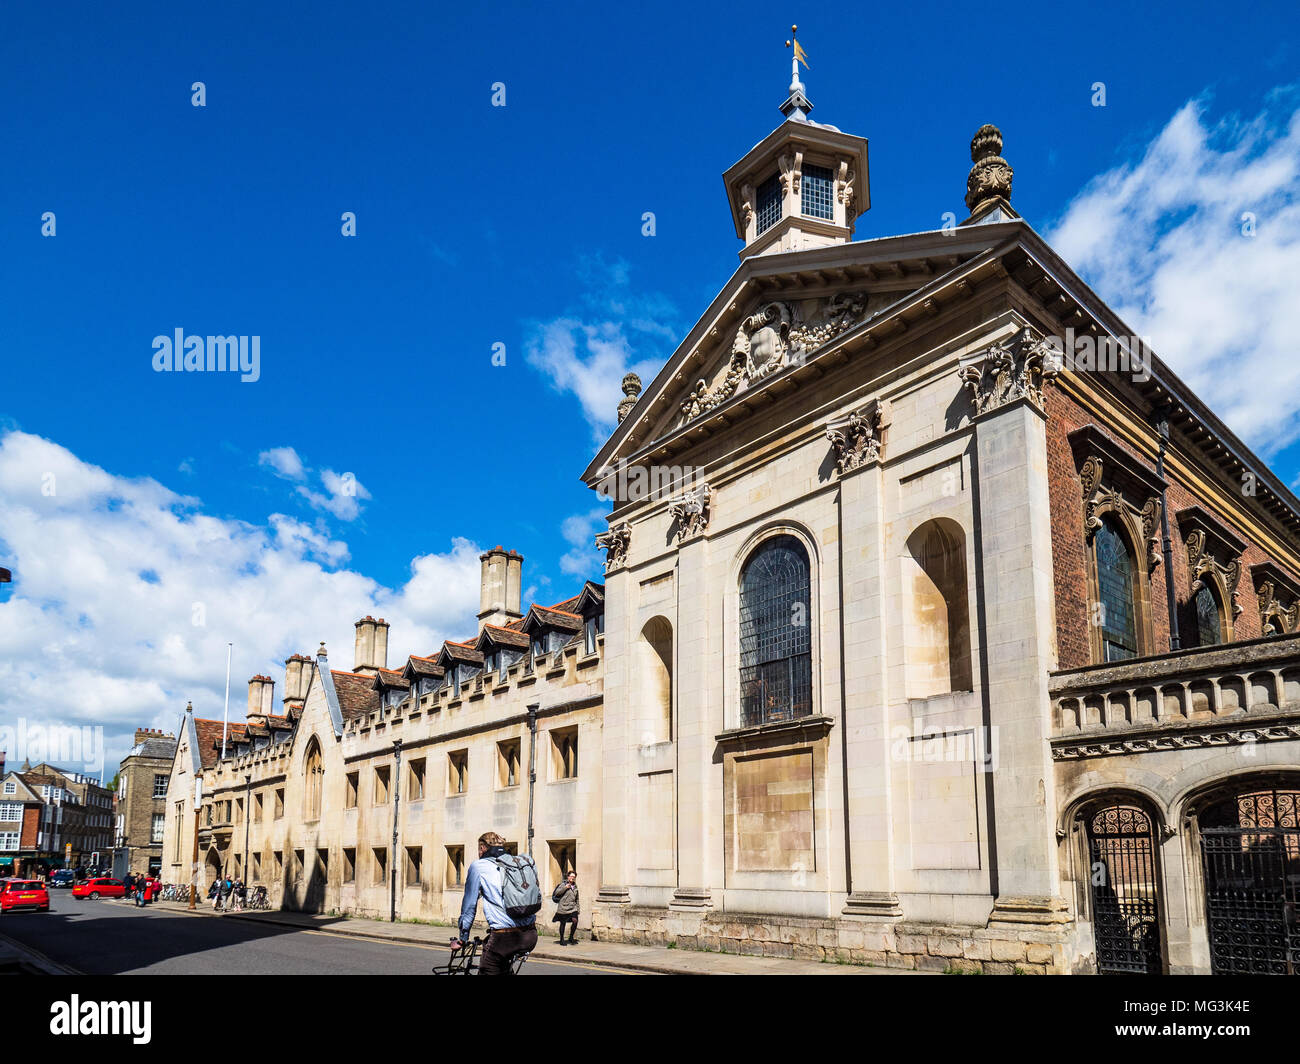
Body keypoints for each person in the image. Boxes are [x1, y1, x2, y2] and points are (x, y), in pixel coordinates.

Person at [451, 831, 538, 975]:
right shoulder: (519, 863)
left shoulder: (479, 866)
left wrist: (463, 938)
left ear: (483, 848)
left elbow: (469, 906)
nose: (478, 853)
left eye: (478, 849)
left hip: (504, 938)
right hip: (530, 935)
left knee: (488, 969)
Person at [552, 870, 579, 945]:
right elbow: (557, 893)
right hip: (563, 908)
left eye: (574, 877)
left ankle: (571, 937)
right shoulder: (563, 884)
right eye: (571, 876)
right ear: (568, 877)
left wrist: (578, 909)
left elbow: (577, 899)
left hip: (573, 908)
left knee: (575, 921)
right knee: (563, 923)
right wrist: (565, 888)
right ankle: (561, 939)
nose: (572, 878)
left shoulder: (575, 886)